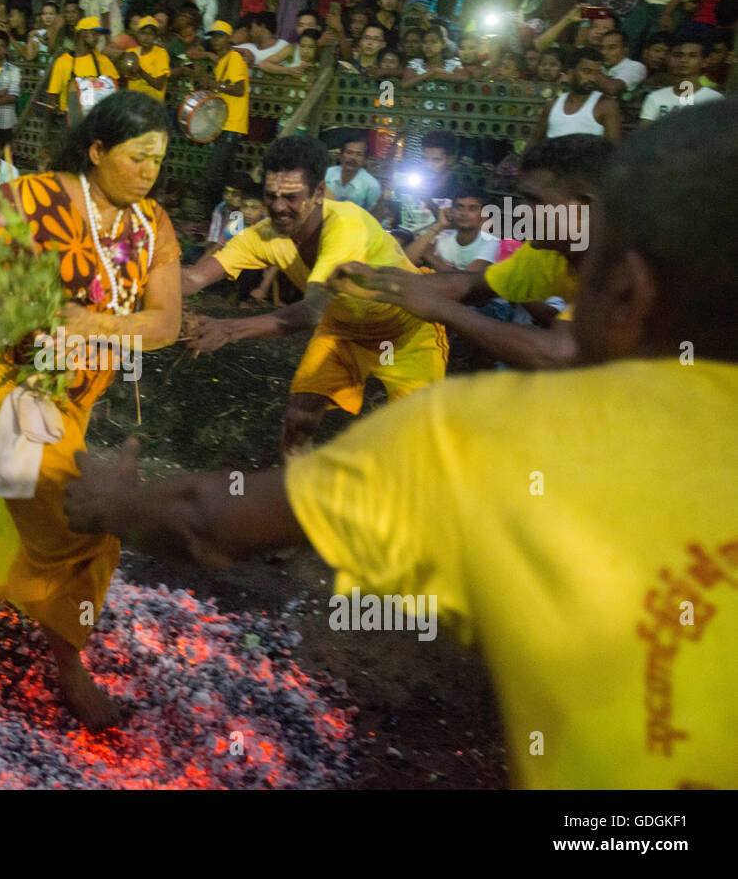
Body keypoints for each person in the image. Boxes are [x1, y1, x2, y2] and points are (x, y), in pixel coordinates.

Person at [65, 100, 738, 790]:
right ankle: (328, 524)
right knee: (301, 417)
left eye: (537, 214)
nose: (523, 227)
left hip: (403, 343)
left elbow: (205, 521)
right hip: (352, 338)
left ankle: (332, 526)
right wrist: (130, 288)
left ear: (623, 292)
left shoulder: (476, 437)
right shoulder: (548, 280)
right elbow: (474, 282)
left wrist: (109, 504)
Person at [0, 91, 182, 730]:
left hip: (71, 393)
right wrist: (23, 308)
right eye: (137, 157)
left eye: (158, 160)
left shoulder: (152, 225)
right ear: (97, 150)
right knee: (78, 518)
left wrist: (91, 324)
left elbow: (164, 324)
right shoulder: (31, 199)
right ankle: (69, 667)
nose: (149, 172)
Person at [182, 135, 449, 454]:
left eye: (291, 197)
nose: (278, 207)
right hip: (343, 332)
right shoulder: (264, 235)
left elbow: (311, 311)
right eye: (271, 196)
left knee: (417, 441)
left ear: (319, 192)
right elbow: (194, 278)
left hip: (406, 334)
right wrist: (137, 277)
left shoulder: (347, 225)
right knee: (298, 419)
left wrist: (230, 330)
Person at [327, 135, 613, 371]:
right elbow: (471, 285)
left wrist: (440, 308)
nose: (522, 212)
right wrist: (380, 283)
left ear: (583, 205)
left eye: (534, 201)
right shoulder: (550, 253)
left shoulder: (622, 264)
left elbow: (557, 353)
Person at [198, 20, 250, 212]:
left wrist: (215, 85)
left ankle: (213, 212)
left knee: (215, 172)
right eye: (213, 37)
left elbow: (239, 89)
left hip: (232, 124)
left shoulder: (234, 58)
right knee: (224, 173)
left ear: (229, 39)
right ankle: (225, 213)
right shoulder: (222, 62)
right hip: (224, 124)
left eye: (220, 37)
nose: (215, 41)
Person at [528, 47, 623, 145]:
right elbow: (533, 144)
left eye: (597, 73)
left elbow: (615, 149)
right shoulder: (552, 106)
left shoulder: (606, 106)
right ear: (570, 73)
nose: (593, 78)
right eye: (587, 71)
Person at [37, 16, 120, 121]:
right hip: (70, 119)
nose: (97, 38)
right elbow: (53, 95)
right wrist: (55, 111)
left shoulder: (103, 61)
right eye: (94, 34)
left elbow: (114, 89)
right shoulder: (63, 62)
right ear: (81, 34)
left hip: (96, 119)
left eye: (98, 35)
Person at [639, 36, 726, 122]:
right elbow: (645, 130)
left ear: (705, 61)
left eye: (692, 56)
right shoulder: (655, 98)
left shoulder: (715, 100)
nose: (683, 60)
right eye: (678, 55)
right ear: (668, 59)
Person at [324, 135, 380, 211]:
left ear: (365, 160)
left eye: (359, 154)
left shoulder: (372, 186)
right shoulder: (327, 174)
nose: (353, 158)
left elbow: (374, 213)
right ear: (341, 156)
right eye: (349, 152)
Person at [122, 16, 171, 101]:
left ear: (155, 37)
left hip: (153, 104)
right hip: (134, 102)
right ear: (137, 34)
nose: (146, 37)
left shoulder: (160, 53)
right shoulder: (131, 52)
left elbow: (159, 85)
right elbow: (128, 76)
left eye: (151, 34)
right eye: (143, 33)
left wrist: (139, 70)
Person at [597, 28, 647, 97]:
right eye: (602, 48)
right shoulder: (599, 67)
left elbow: (613, 89)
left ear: (625, 50)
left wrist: (592, 72)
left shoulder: (635, 66)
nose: (604, 53)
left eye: (611, 48)